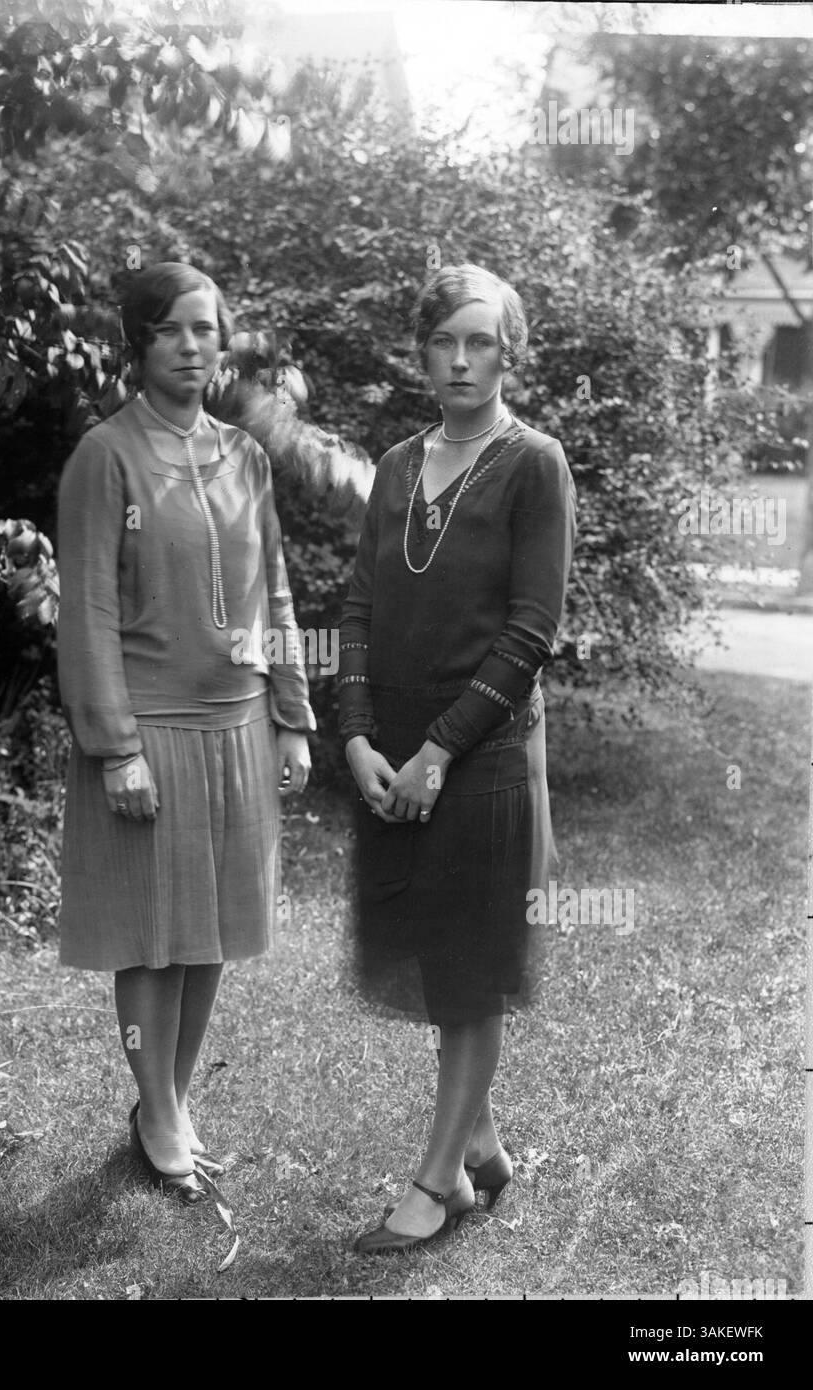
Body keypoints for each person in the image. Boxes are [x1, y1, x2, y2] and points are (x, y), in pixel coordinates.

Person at [56, 262, 314, 1203]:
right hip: (149, 731)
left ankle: (170, 1097)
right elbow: (84, 611)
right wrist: (114, 746)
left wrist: (292, 715)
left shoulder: (244, 456)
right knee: (150, 937)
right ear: (139, 343)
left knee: (208, 934)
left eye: (208, 329)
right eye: (173, 330)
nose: (196, 346)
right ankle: (155, 1106)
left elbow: (273, 589)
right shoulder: (105, 457)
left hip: (238, 726)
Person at [338, 263, 576, 1252]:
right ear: (423, 352)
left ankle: (438, 1183)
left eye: (483, 341)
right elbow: (356, 606)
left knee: (472, 966)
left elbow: (531, 633)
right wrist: (353, 733)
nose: (464, 359)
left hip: (478, 756)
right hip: (390, 749)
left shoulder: (535, 464)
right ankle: (480, 1146)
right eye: (446, 341)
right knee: (439, 954)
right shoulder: (396, 465)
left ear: (507, 352)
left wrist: (439, 750)